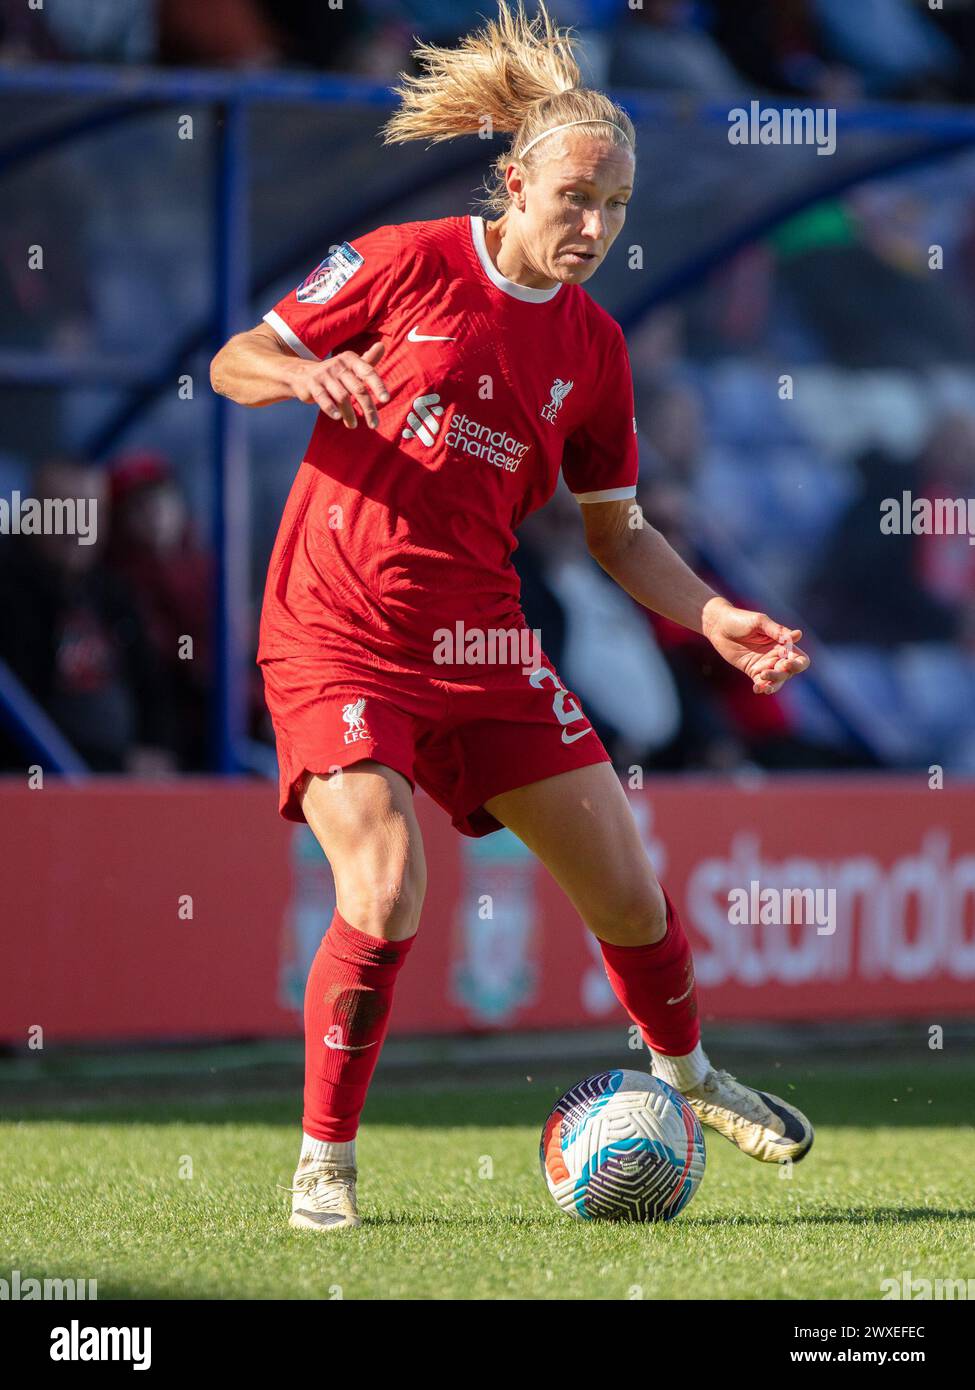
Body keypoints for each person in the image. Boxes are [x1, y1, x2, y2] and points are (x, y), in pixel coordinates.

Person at [210, 0, 814, 1234]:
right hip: (335, 626)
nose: (593, 227)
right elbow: (231, 358)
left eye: (616, 208)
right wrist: (300, 372)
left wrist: (713, 619)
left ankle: (688, 1077)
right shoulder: (406, 261)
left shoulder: (594, 350)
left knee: (630, 898)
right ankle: (325, 1161)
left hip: (482, 641)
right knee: (385, 890)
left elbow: (617, 530)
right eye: (574, 199)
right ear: (515, 180)